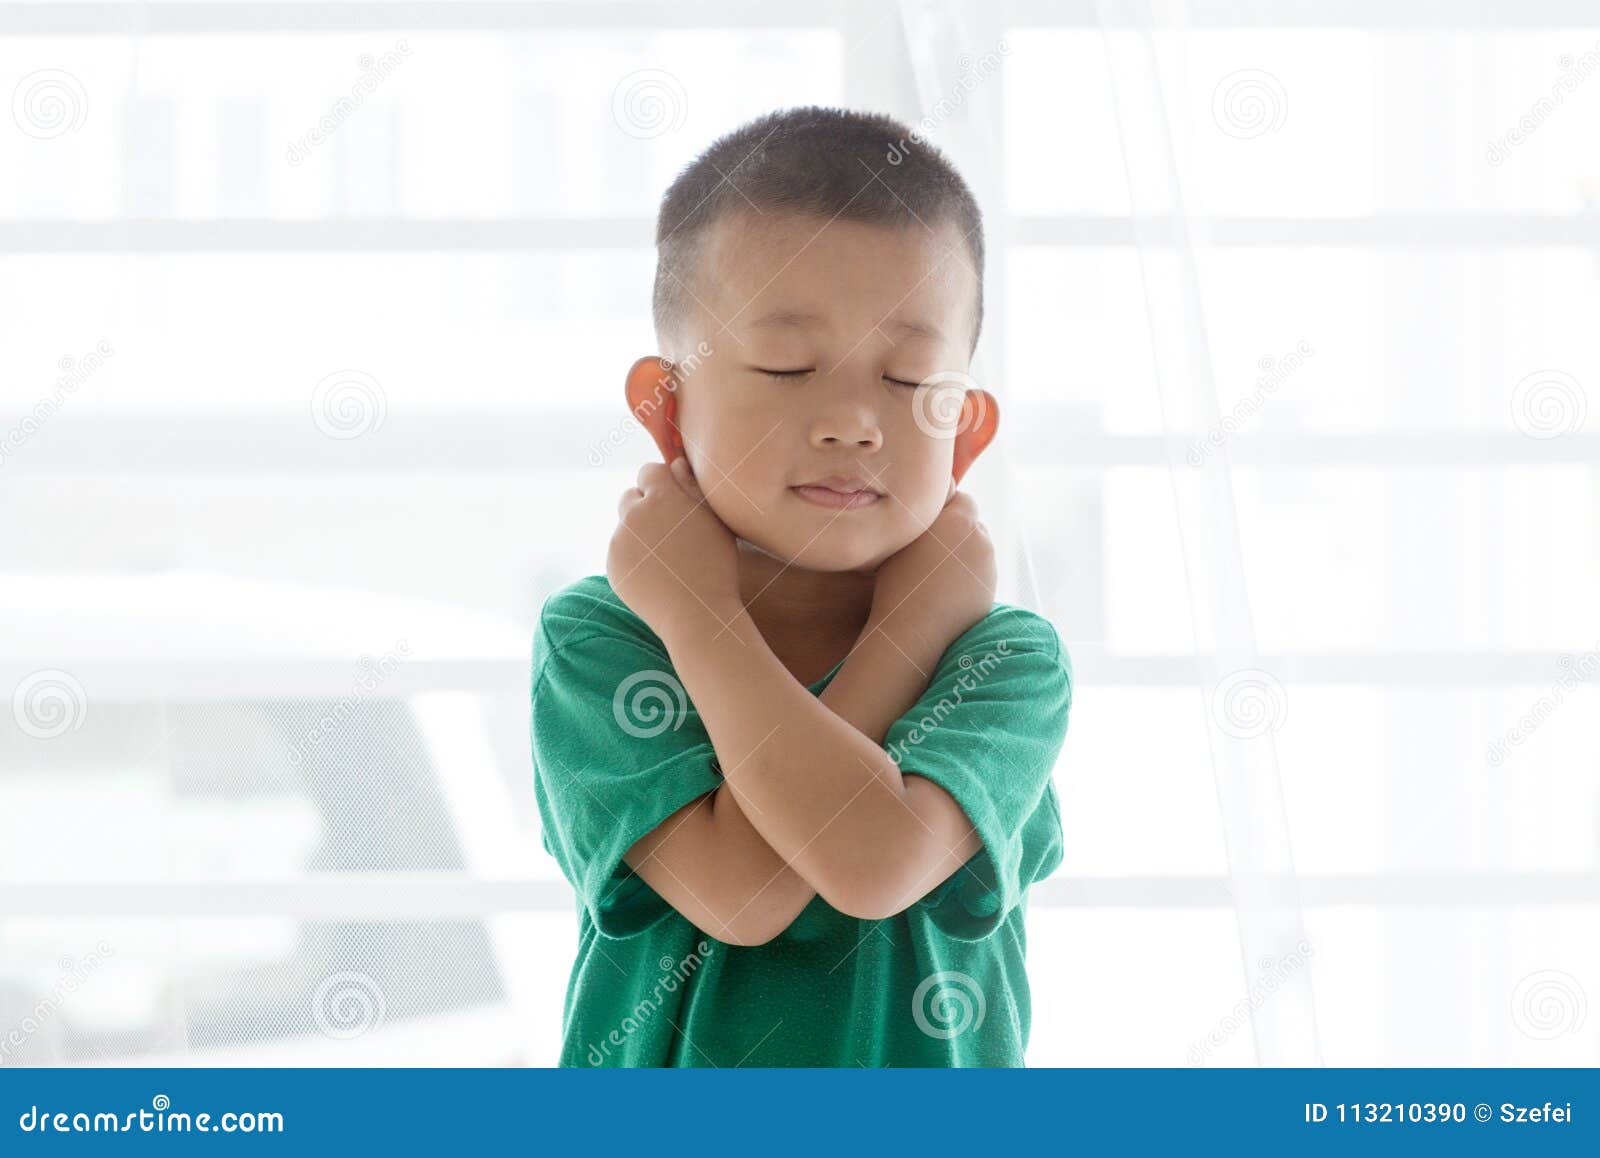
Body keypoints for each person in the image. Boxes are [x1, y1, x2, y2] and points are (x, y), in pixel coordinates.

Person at [531, 106, 1071, 1067]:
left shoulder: (1004, 661)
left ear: (967, 434)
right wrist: (703, 616)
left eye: (909, 380)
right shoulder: (605, 642)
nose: (856, 421)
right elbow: (743, 892)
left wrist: (918, 632)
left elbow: (873, 860)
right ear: (668, 408)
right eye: (787, 365)